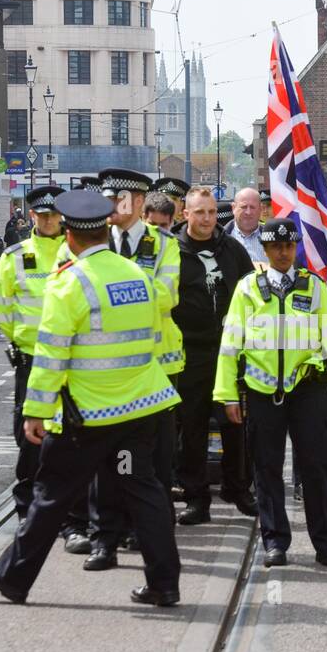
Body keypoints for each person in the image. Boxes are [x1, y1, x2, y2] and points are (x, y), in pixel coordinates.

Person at [0, 189, 183, 607]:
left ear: (69, 235)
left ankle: (13, 577)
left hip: (87, 417)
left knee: (51, 494)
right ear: (105, 230)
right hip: (140, 407)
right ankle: (164, 583)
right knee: (145, 490)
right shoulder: (136, 276)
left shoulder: (68, 284)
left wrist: (35, 411)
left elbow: (51, 354)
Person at [216, 218, 327, 566]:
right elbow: (230, 345)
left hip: (308, 390)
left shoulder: (315, 289)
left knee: (316, 469)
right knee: (266, 470)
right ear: (264, 250)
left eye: (288, 246)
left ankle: (325, 544)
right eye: (276, 248)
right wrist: (227, 395)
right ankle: (275, 542)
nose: (283, 253)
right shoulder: (248, 289)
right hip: (263, 391)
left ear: (295, 248)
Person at [85, 167, 183, 570]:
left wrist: (112, 291)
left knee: (152, 460)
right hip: (102, 370)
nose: (111, 206)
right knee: (104, 460)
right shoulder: (92, 242)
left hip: (152, 369)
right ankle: (103, 538)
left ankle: (144, 531)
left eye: (119, 199)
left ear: (139, 202)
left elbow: (166, 297)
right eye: (107, 199)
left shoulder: (164, 245)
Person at [174, 186, 257, 524]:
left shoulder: (233, 250)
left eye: (210, 212)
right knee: (191, 427)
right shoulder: (172, 253)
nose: (207, 219)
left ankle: (238, 488)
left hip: (229, 352)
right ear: (186, 215)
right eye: (199, 213)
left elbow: (252, 293)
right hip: (189, 353)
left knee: (235, 425)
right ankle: (196, 497)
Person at [0, 185, 70, 524]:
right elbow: (2, 310)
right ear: (33, 216)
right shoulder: (13, 257)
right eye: (43, 214)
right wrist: (25, 339)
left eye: (54, 215)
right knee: (29, 433)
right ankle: (27, 504)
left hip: (71, 359)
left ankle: (64, 504)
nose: (49, 220)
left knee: (67, 432)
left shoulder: (74, 253)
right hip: (31, 356)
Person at [229, 187, 266, 264]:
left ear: (260, 209)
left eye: (252, 207)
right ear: (233, 208)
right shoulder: (219, 239)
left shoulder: (273, 239)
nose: (248, 212)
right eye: (244, 207)